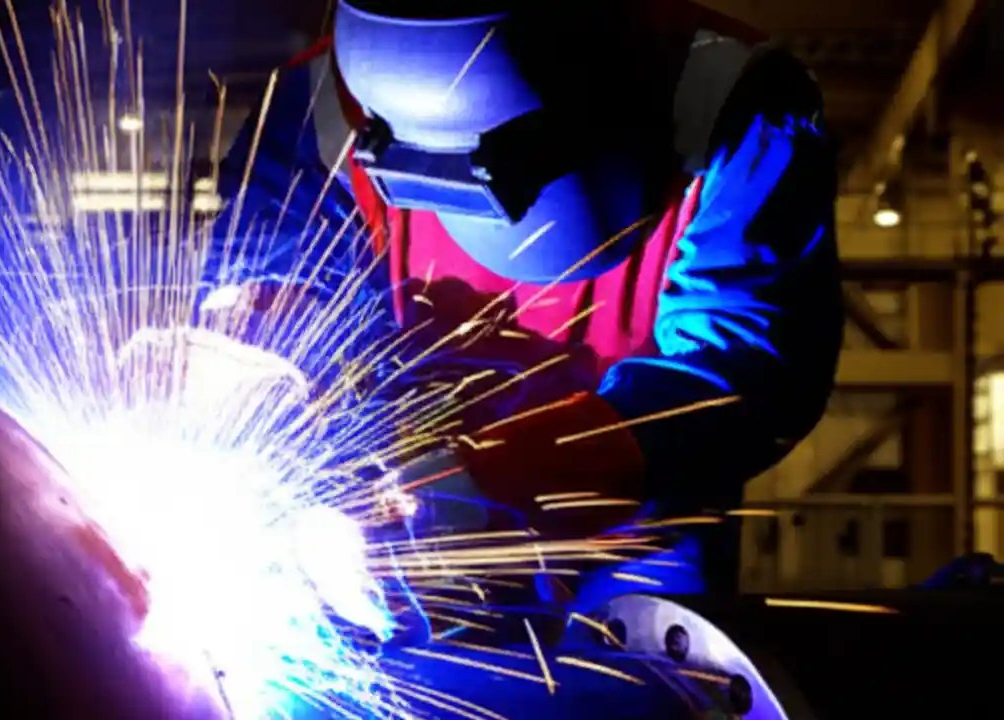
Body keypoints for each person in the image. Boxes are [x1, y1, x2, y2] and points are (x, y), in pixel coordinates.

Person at [208, 0, 842, 602]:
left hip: (632, 540)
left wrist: (495, 481)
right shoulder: (326, 99)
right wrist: (250, 378)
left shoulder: (734, 104)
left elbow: (740, 374)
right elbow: (274, 276)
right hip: (368, 528)